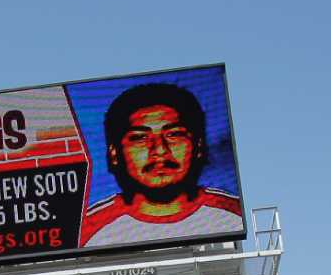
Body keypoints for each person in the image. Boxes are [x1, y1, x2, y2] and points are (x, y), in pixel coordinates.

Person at [79, 81, 244, 247]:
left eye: (174, 134)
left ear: (198, 146)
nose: (159, 149)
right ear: (114, 153)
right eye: (140, 138)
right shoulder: (84, 230)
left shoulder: (232, 211)